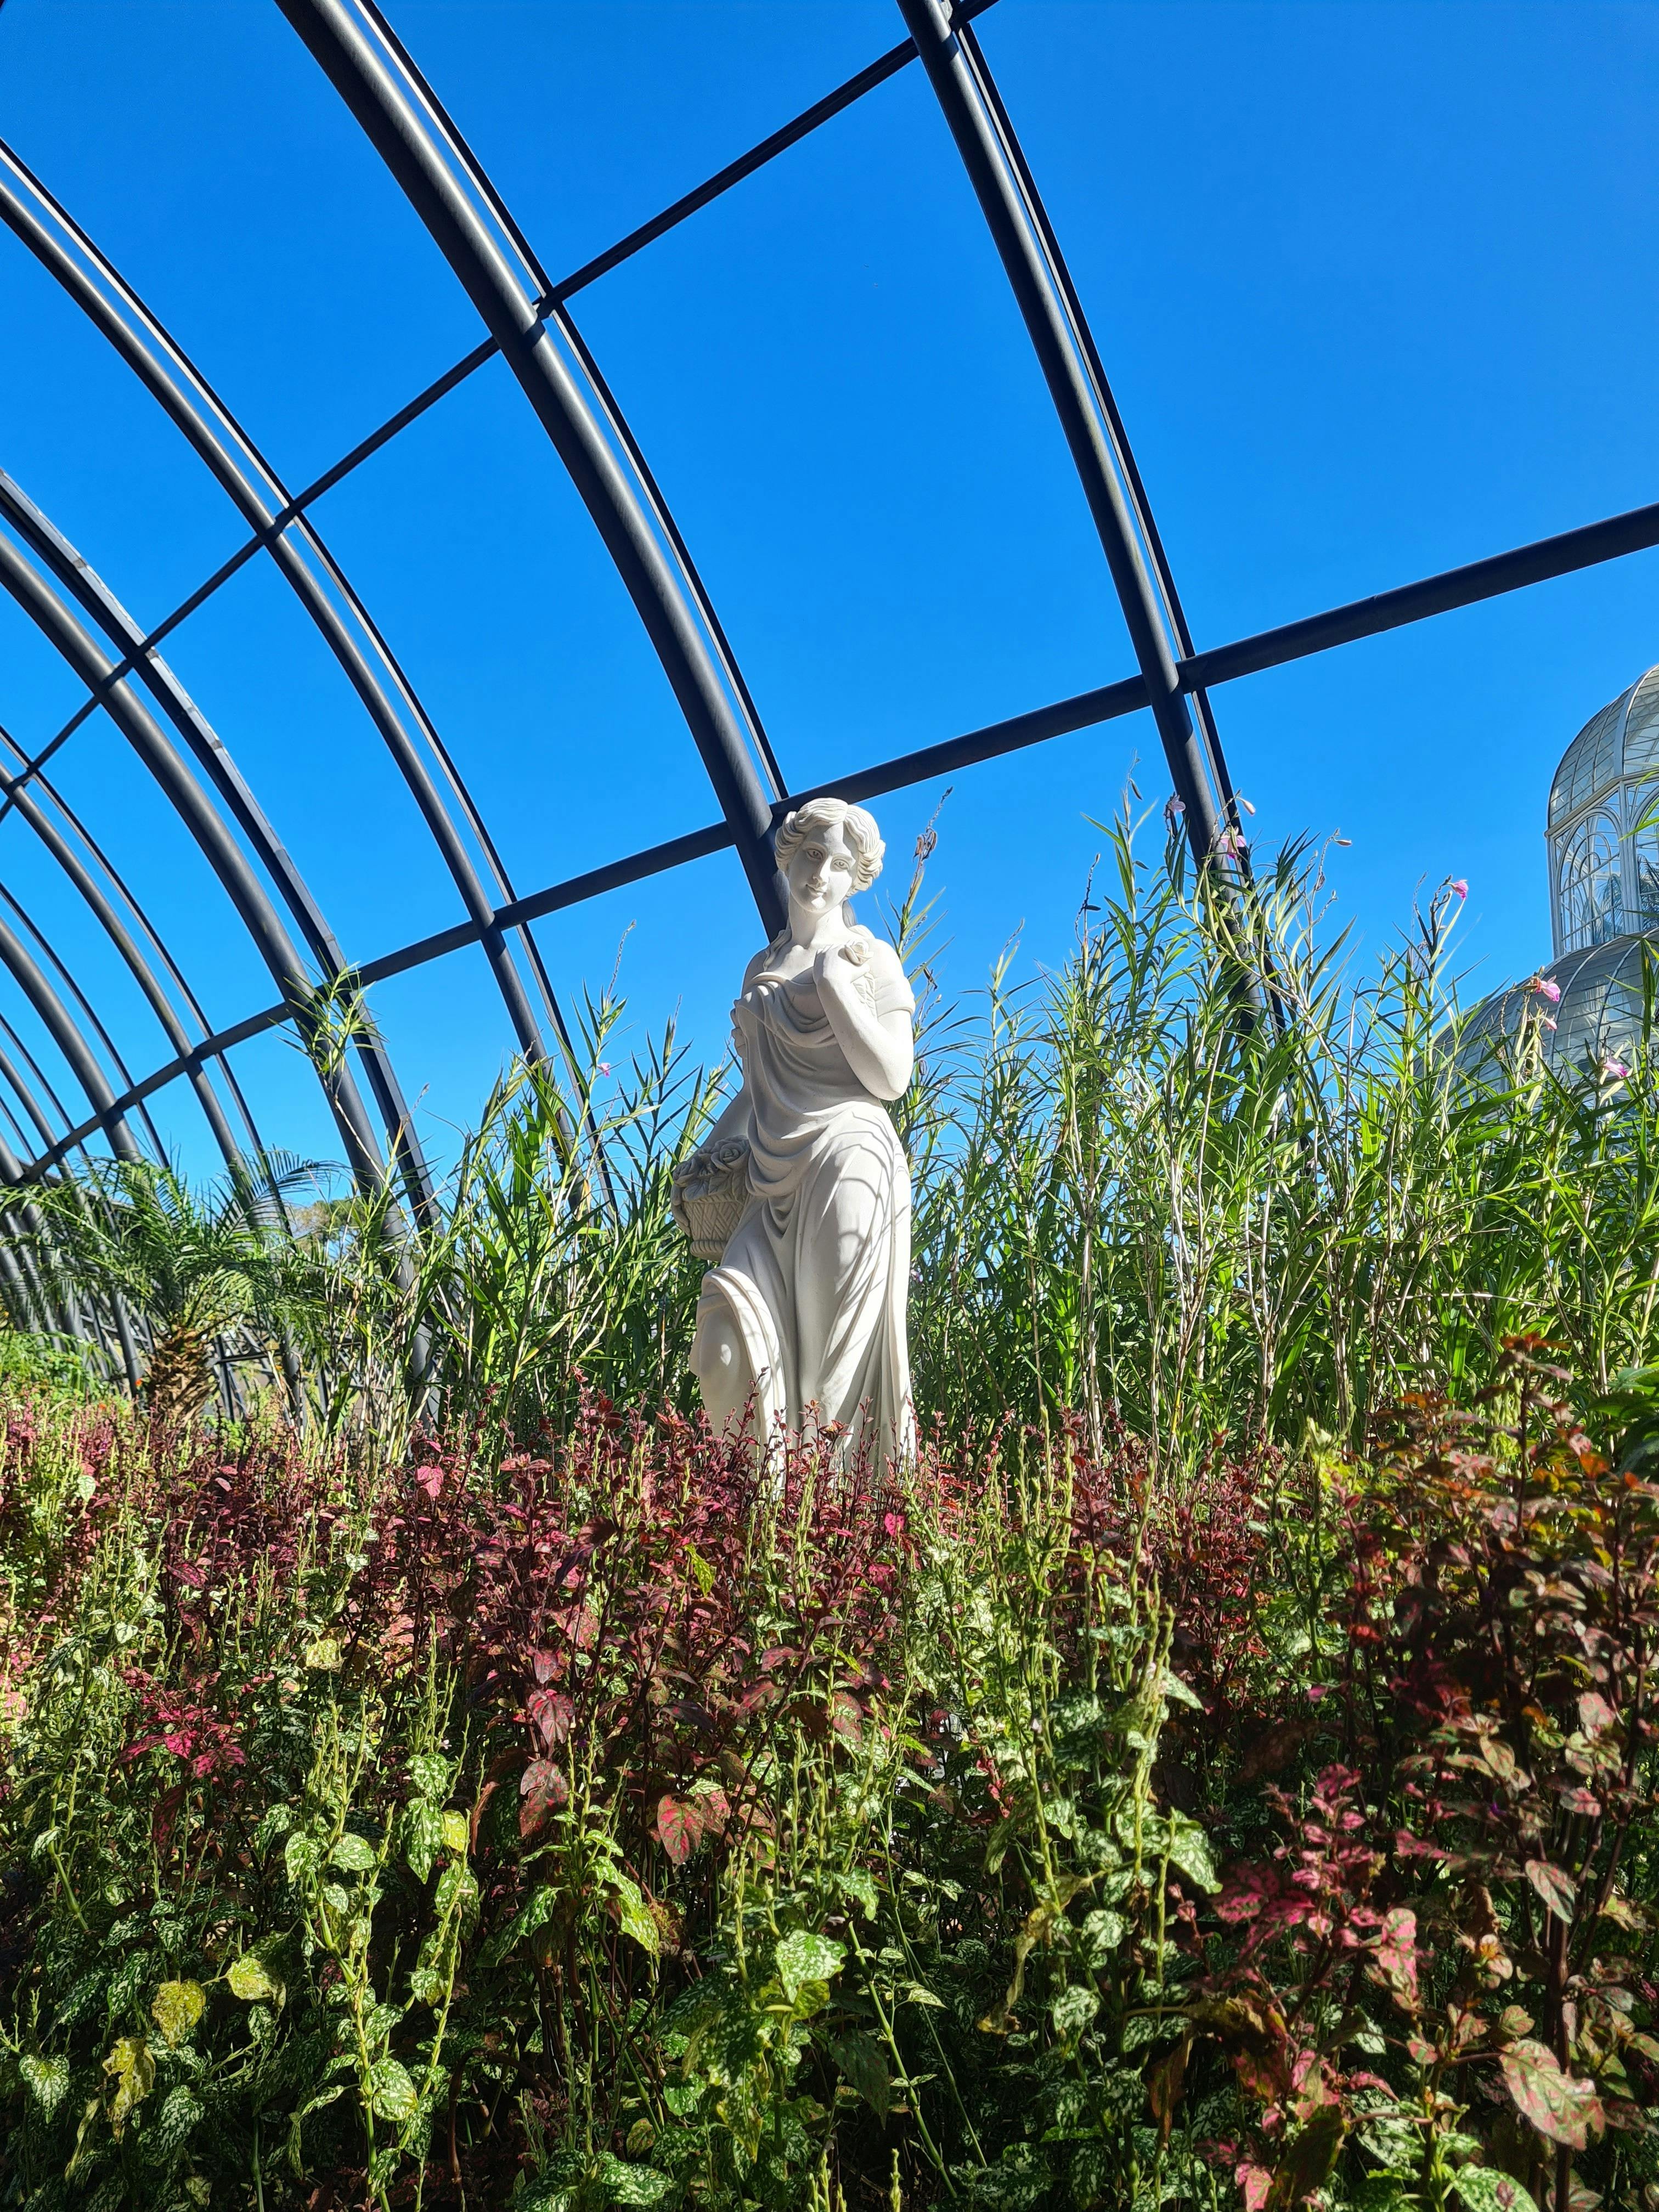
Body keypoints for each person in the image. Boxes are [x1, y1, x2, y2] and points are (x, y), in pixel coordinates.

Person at [673, 797, 916, 1470]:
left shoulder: (868, 958)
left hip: (850, 1163)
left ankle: (831, 1538)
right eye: (813, 855)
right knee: (723, 1345)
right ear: (789, 855)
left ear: (856, 878)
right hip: (769, 1181)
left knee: (829, 1376)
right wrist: (704, 1156)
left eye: (841, 864)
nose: (822, 875)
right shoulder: (762, 966)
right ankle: (758, 1522)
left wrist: (836, 987)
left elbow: (893, 1076)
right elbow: (757, 1089)